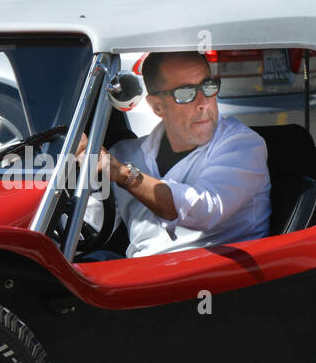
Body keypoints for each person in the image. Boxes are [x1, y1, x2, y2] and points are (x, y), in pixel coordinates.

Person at [85, 51, 271, 259]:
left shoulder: (243, 145)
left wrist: (124, 175)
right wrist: (74, 170)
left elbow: (203, 210)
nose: (203, 103)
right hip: (137, 277)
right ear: (157, 106)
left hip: (215, 280)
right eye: (186, 94)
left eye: (208, 87)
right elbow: (88, 225)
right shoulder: (124, 153)